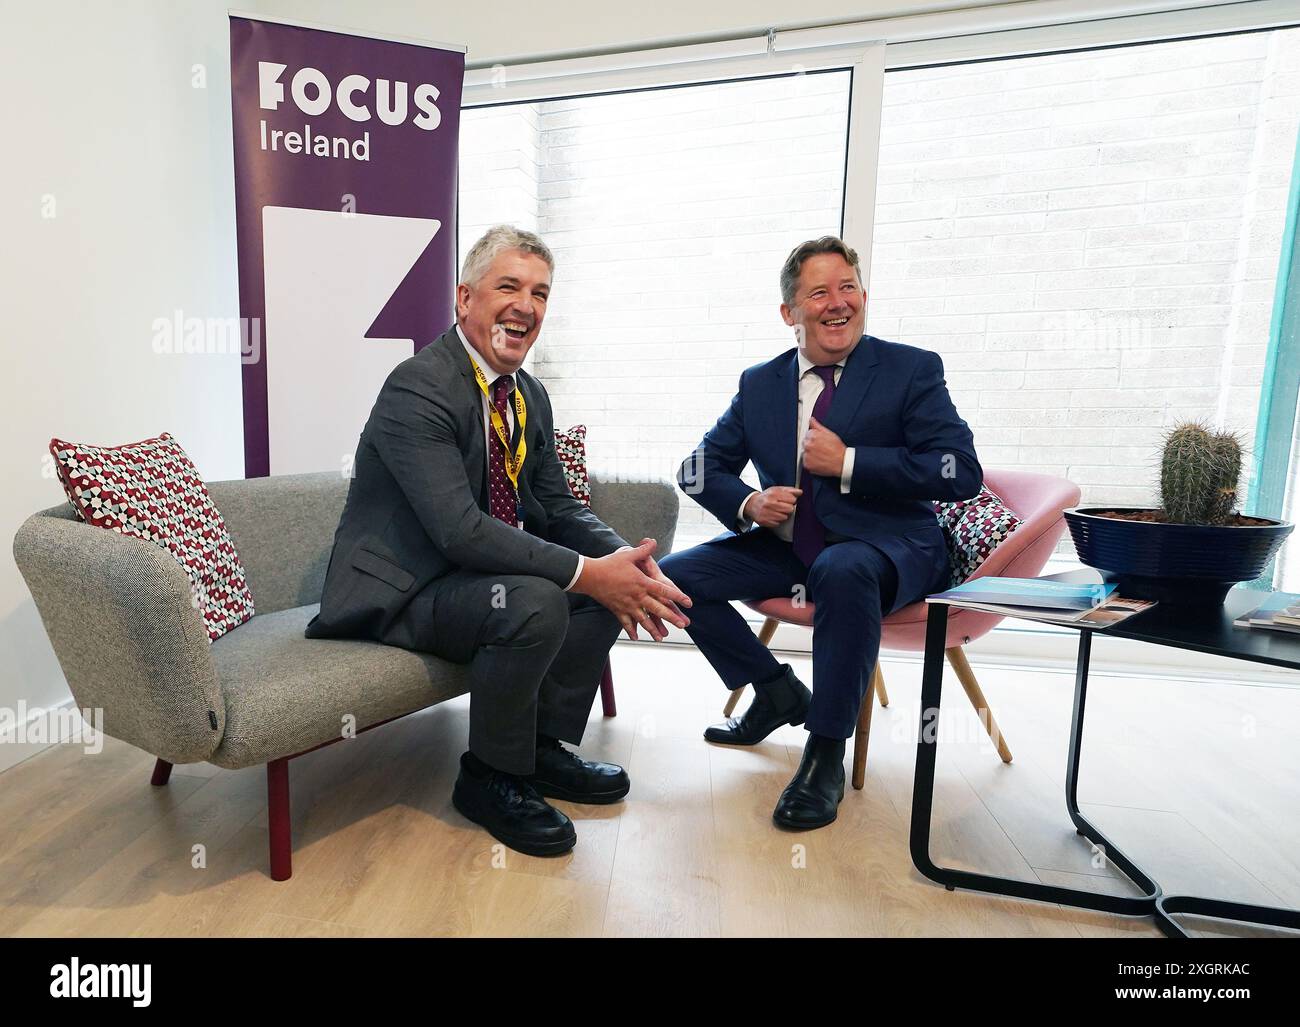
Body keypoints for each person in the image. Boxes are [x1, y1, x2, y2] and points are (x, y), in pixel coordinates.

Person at [306, 225, 691, 856]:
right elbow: (459, 531)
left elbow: (559, 505)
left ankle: (537, 751)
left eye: (540, 293)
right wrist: (587, 572)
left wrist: (626, 563)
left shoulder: (528, 394)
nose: (526, 306)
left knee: (597, 588)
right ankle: (490, 777)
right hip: (405, 590)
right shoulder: (418, 387)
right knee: (542, 598)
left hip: (469, 581)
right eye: (507, 286)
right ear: (464, 299)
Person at [660, 236, 981, 830]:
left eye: (848, 287)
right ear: (790, 312)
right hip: (792, 550)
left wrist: (852, 461)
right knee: (671, 577)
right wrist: (750, 501)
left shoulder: (910, 369)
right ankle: (774, 688)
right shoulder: (761, 383)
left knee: (843, 568)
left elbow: (958, 471)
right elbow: (697, 469)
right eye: (819, 292)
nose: (838, 303)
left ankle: (825, 751)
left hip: (884, 550)